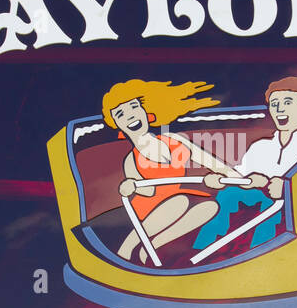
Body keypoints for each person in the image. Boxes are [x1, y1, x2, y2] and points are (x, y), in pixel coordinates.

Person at [102, 79, 239, 263]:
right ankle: (125, 249)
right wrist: (130, 186)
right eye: (120, 113)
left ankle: (150, 247)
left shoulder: (173, 140)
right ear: (116, 124)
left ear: (145, 110)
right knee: (179, 202)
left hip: (179, 198)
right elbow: (147, 191)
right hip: (151, 208)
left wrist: (241, 179)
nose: (130, 116)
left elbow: (211, 162)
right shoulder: (131, 160)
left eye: (134, 107)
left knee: (210, 207)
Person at [198, 77, 297, 250]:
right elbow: (239, 176)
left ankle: (259, 254)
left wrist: (286, 187)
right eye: (274, 103)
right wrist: (218, 181)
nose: (280, 108)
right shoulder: (260, 147)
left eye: (288, 102)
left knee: (272, 206)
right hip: (255, 201)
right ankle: (200, 252)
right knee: (228, 195)